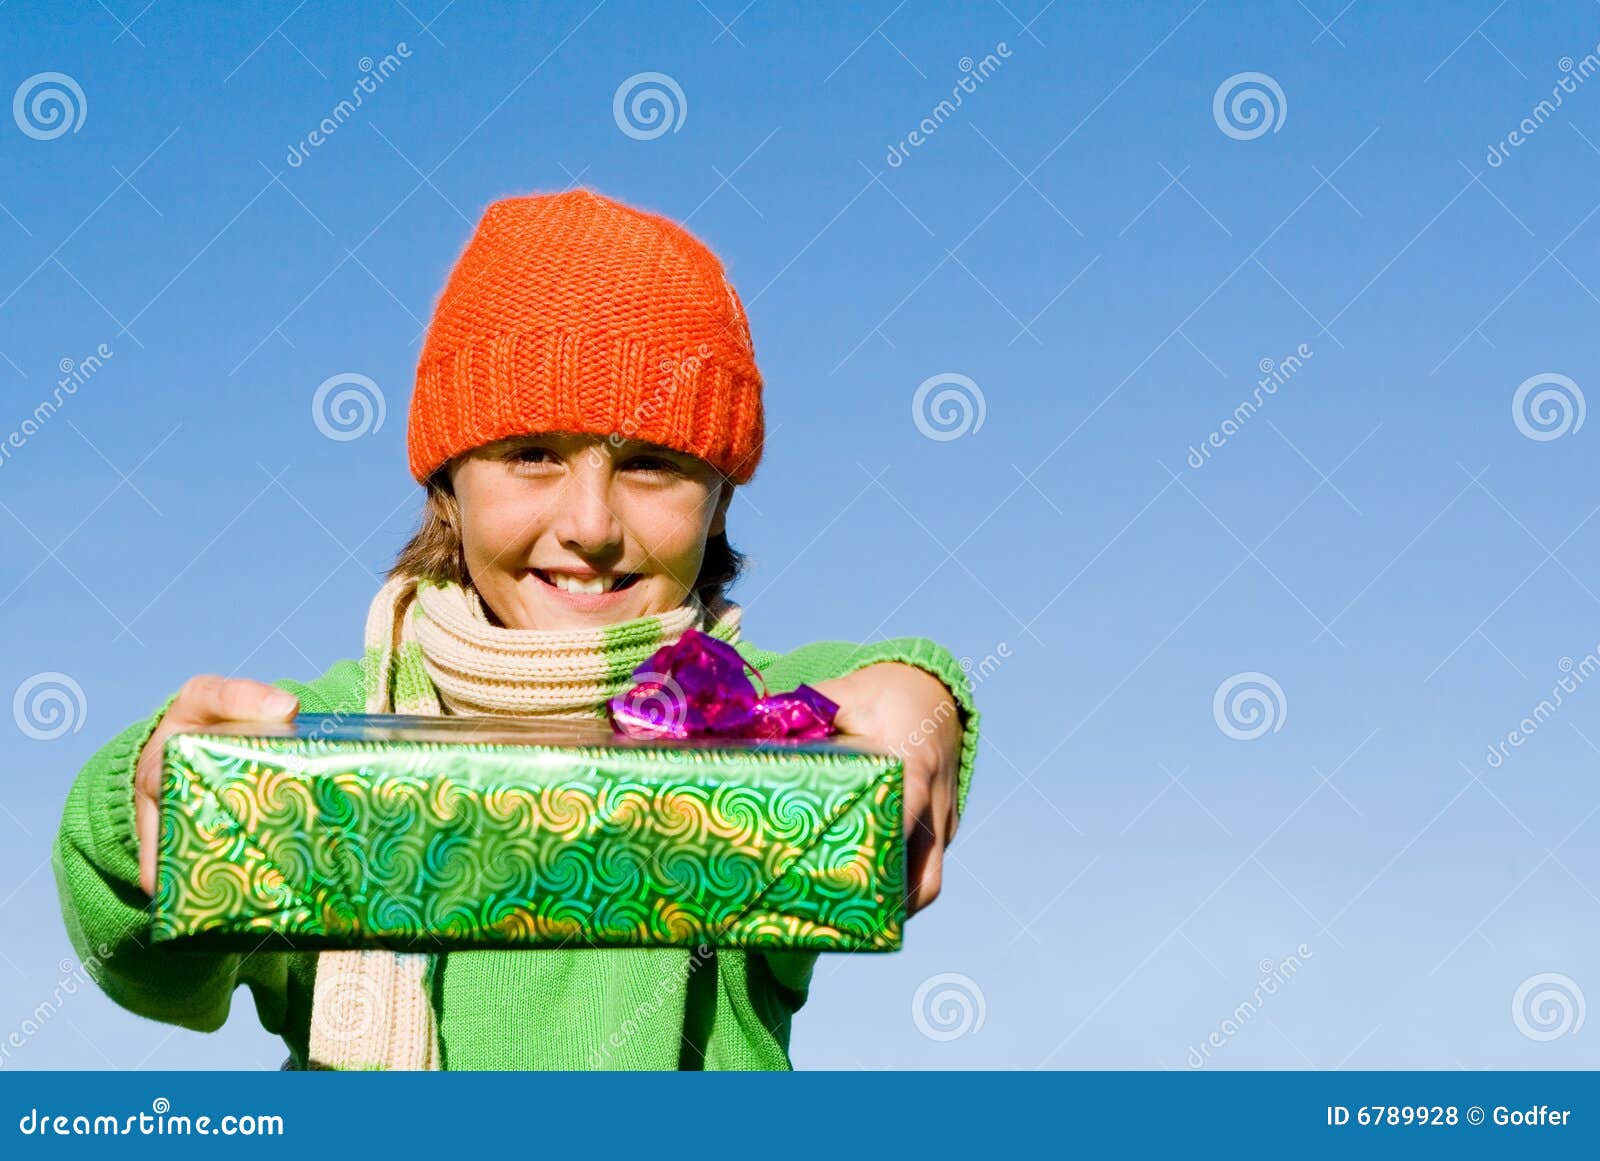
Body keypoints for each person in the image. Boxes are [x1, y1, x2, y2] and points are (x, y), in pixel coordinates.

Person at [52, 188, 980, 1070]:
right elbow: (139, 955)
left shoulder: (747, 734)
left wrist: (919, 699)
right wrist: (162, 793)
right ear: (447, 477)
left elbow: (880, 691)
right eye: (533, 453)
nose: (591, 522)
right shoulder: (331, 745)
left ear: (721, 499)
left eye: (653, 464)